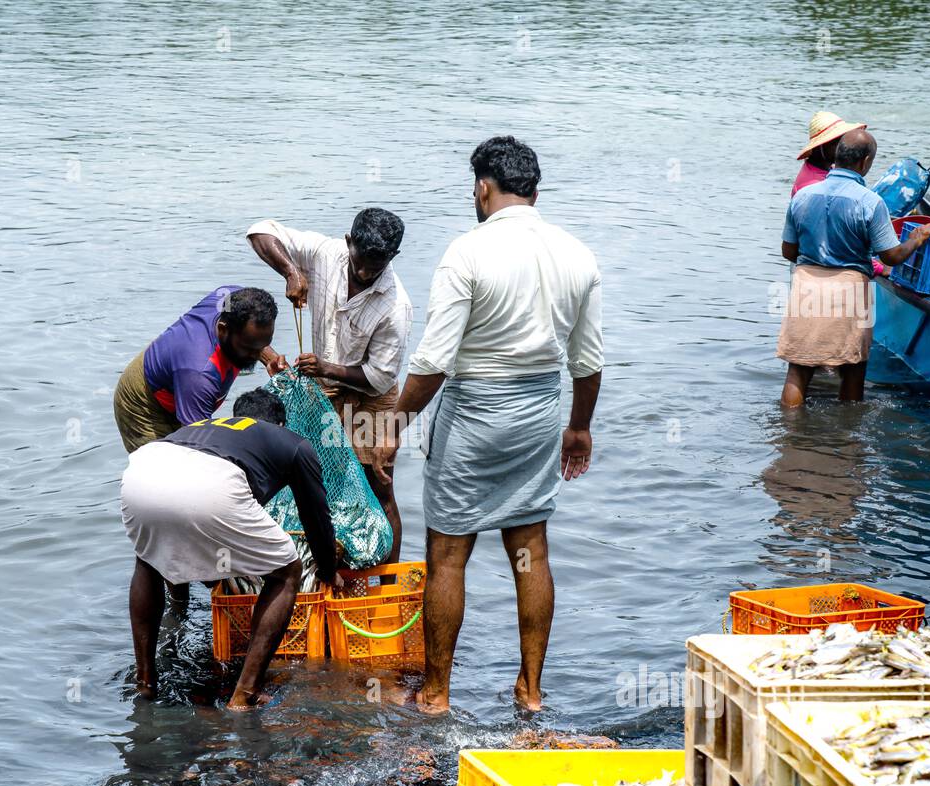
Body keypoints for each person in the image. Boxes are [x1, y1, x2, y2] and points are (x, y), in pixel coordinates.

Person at [370, 135, 603, 715]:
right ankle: (530, 690)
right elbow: (589, 361)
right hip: (540, 413)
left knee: (448, 554)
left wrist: (394, 424)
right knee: (530, 548)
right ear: (536, 192)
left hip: (476, 412)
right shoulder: (578, 253)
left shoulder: (467, 252)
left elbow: (432, 361)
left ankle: (436, 693)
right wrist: (579, 428)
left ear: (482, 187)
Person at [119, 388, 338, 709]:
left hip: (142, 472)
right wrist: (329, 571)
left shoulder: (211, 426)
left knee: (147, 561)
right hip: (209, 484)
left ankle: (146, 681)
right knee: (287, 572)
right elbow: (316, 520)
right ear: (280, 423)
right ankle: (245, 693)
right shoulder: (292, 442)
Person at [246, 209, 413, 562]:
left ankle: (386, 577)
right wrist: (291, 271)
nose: (366, 273)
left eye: (376, 265)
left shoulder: (396, 306)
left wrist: (328, 368)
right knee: (319, 482)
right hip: (323, 388)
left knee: (378, 486)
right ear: (348, 242)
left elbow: (380, 377)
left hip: (372, 398)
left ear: (393, 257)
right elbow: (260, 230)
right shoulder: (324, 253)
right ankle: (334, 563)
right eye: (360, 262)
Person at [113, 285, 284, 605]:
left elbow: (251, 339)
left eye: (263, 342)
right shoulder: (199, 374)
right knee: (173, 500)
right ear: (223, 329)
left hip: (175, 383)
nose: (255, 355)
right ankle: (178, 596)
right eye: (250, 348)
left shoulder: (233, 299)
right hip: (145, 407)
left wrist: (267, 356)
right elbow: (201, 457)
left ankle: (195, 574)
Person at [779, 128, 930, 406]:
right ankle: (847, 437)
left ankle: (789, 435)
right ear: (865, 163)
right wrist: (916, 239)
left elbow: (788, 251)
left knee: (799, 368)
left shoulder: (802, 196)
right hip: (849, 290)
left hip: (806, 285)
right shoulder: (870, 202)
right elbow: (890, 256)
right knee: (853, 368)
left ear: (837, 157)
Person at [792, 110, 886, 279]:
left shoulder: (824, 173)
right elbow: (831, 242)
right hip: (826, 270)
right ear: (821, 147)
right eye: (837, 142)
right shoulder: (814, 187)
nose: (844, 145)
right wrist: (879, 268)